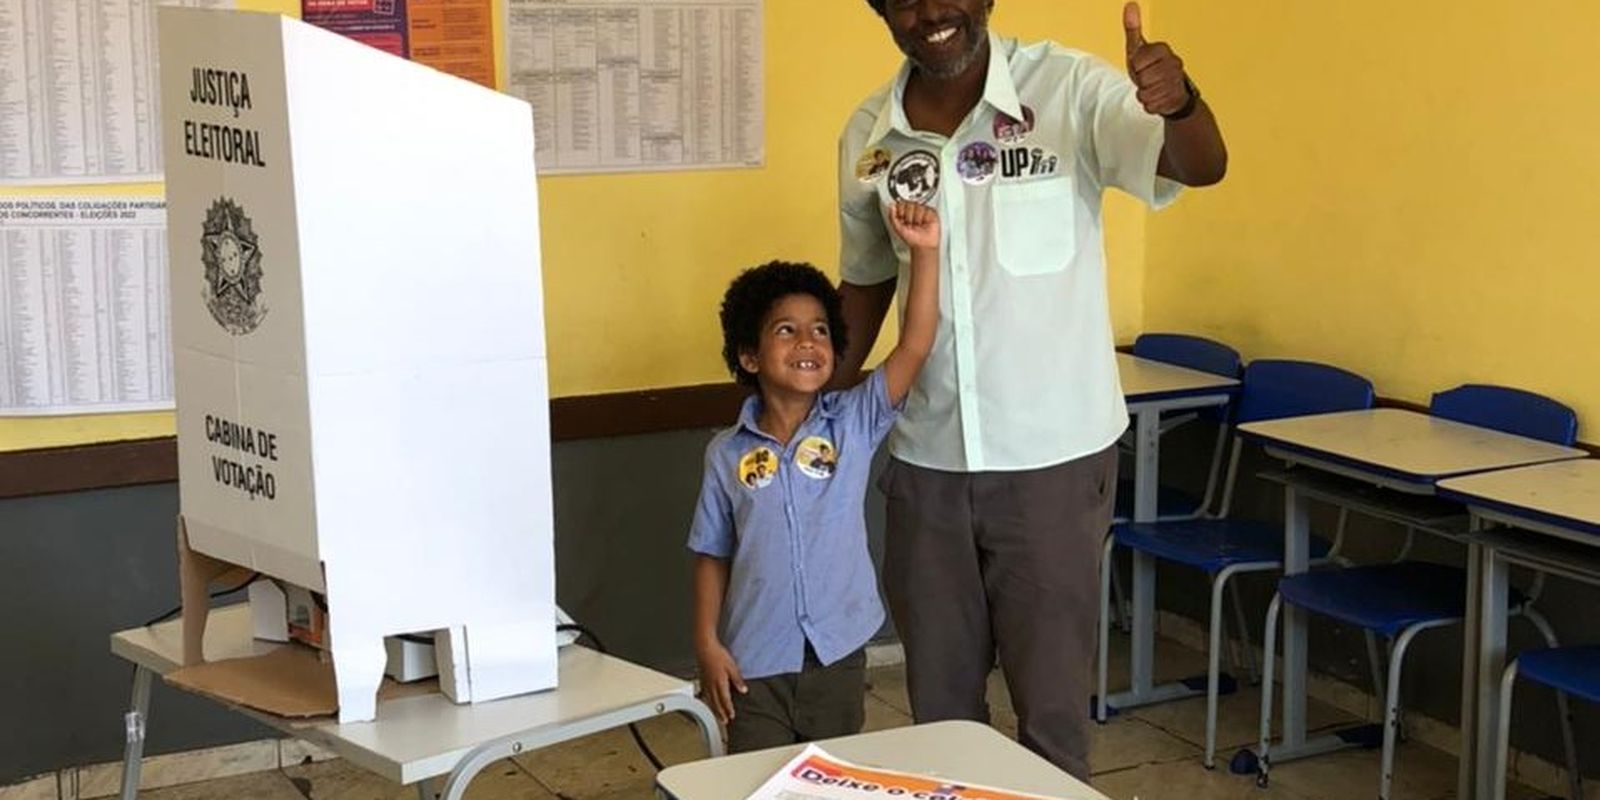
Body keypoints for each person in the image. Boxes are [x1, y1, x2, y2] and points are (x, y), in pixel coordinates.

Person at [833, 0, 1228, 779]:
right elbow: (866, 280)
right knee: (940, 719)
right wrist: (809, 414)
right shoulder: (869, 136)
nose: (930, 11)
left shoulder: (1072, 89)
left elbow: (1198, 165)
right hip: (927, 463)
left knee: (1051, 718)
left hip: (1052, 462)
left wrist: (1181, 104)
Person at [688, 202, 942, 751]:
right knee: (757, 780)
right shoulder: (725, 455)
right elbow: (712, 553)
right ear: (750, 357)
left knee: (830, 777)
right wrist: (708, 644)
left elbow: (916, 343)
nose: (807, 341)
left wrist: (924, 253)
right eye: (787, 330)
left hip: (837, 653)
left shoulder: (854, 421)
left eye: (820, 330)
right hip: (754, 660)